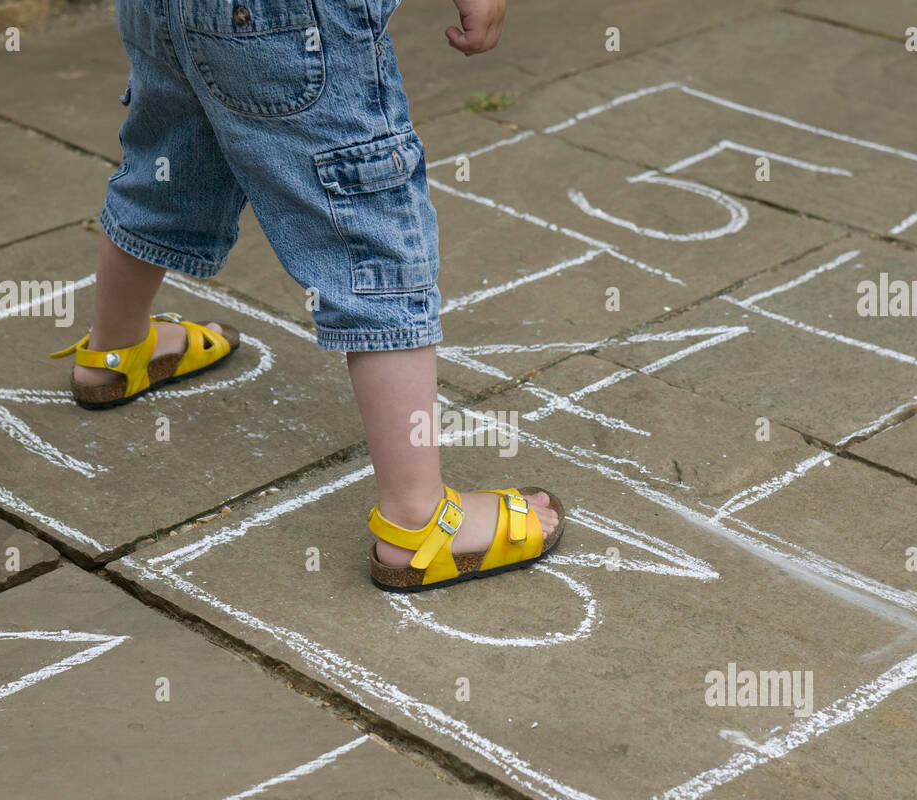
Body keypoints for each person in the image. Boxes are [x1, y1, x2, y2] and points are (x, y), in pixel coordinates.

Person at [51, 0, 562, 591]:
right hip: (286, 23)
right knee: (368, 228)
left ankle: (113, 352)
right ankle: (418, 519)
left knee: (165, 167)